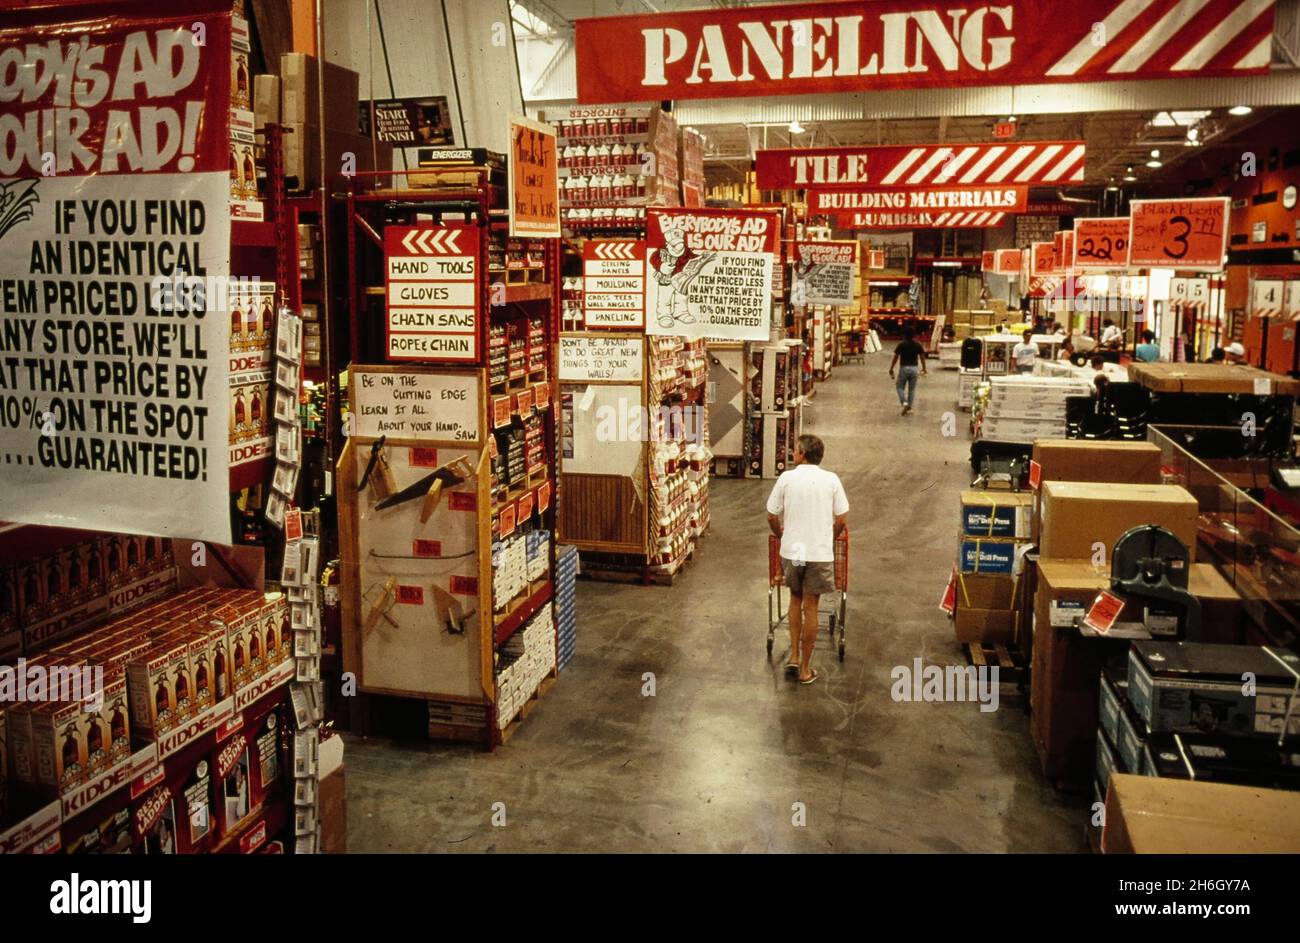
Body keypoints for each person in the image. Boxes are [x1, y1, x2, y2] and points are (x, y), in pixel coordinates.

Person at [766, 434, 849, 686]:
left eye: (795, 450)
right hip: (818, 552)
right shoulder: (831, 480)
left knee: (795, 599)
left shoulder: (786, 478)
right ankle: (804, 669)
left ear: (802, 454)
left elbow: (771, 515)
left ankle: (792, 655)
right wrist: (830, 537)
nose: (793, 454)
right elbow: (842, 520)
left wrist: (782, 534)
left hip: (795, 551)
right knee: (811, 607)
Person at [888, 327, 927, 415]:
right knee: (912, 390)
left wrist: (891, 368)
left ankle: (904, 402)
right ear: (914, 335)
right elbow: (922, 357)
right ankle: (909, 408)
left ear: (905, 335)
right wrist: (924, 368)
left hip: (904, 368)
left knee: (899, 387)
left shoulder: (901, 344)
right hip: (914, 368)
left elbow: (896, 357)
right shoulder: (918, 345)